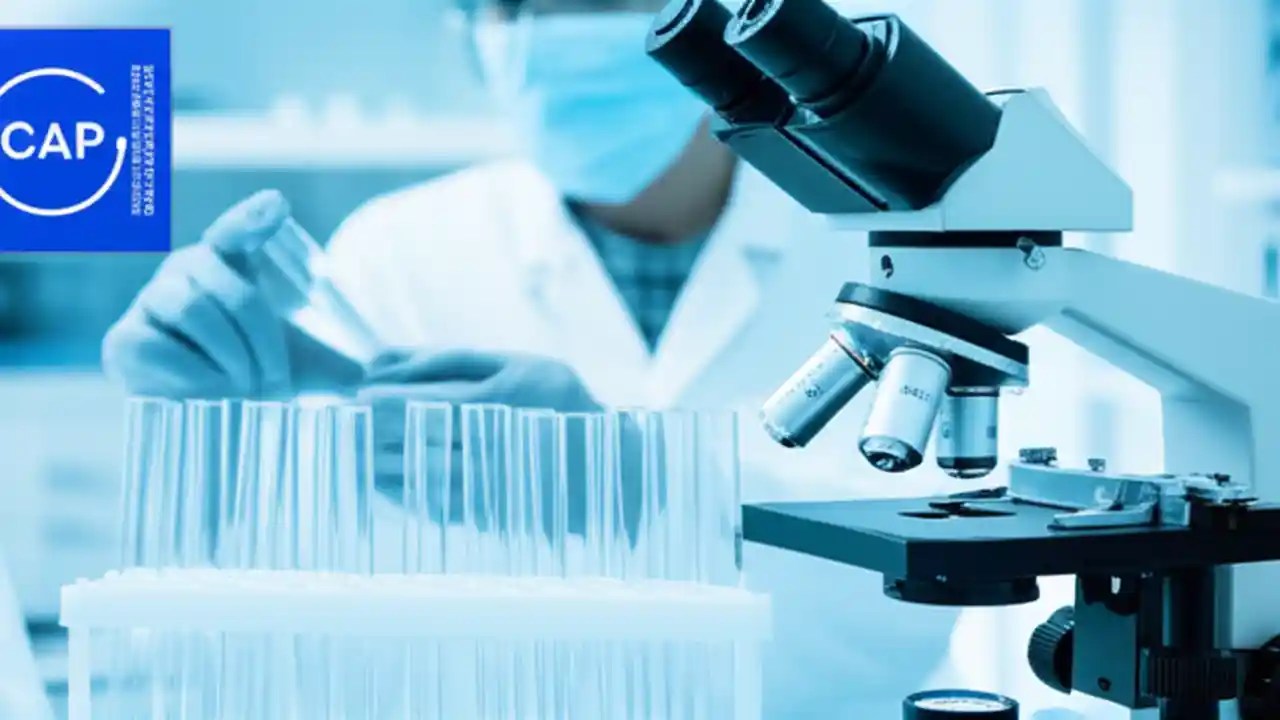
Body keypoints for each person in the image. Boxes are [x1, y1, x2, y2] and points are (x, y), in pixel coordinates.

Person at [101, 0, 967, 715]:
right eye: (508, 6)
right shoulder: (396, 255)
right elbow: (280, 633)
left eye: (593, 1)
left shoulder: (875, 258)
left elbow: (910, 614)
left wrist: (643, 485)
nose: (543, 29)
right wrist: (205, 438)